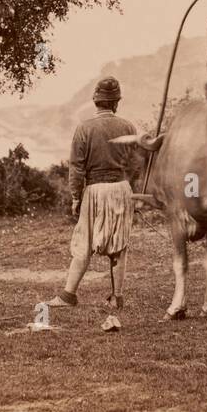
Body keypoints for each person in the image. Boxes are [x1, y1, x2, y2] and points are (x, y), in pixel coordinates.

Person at [48, 77, 136, 309]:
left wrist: (76, 197)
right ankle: (117, 297)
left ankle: (69, 295)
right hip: (121, 189)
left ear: (96, 101)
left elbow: (76, 167)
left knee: (84, 242)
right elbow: (135, 164)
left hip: (95, 191)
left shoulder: (84, 128)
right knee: (119, 243)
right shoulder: (128, 127)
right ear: (116, 103)